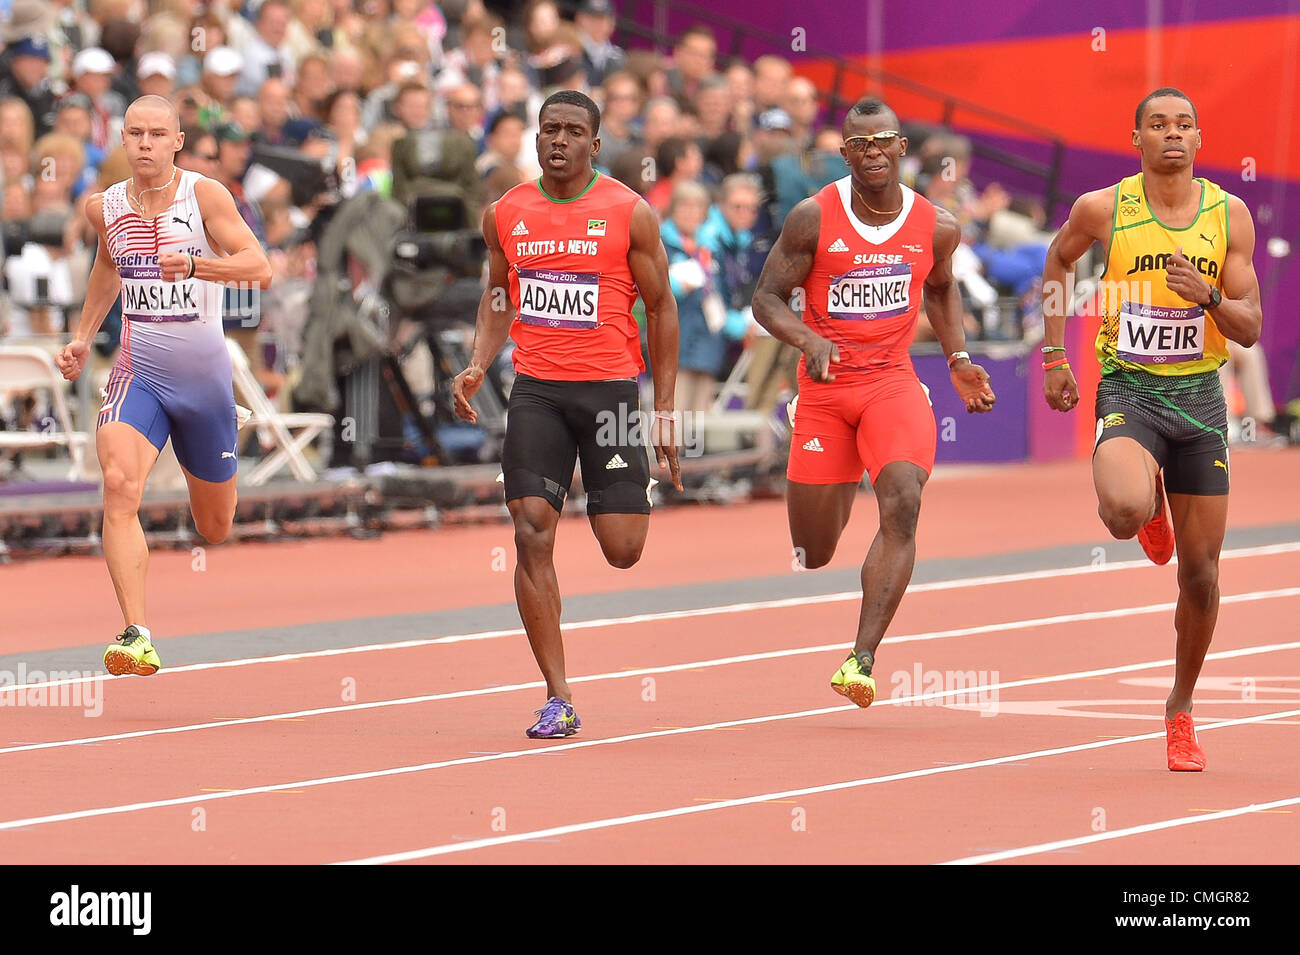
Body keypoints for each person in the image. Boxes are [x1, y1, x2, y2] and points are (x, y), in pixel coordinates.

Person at [1040, 88, 1262, 772]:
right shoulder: (1103, 209)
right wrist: (1053, 353)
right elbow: (1057, 265)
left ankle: (1180, 707)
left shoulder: (1230, 215)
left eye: (1184, 125)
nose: (1173, 134)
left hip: (1200, 399)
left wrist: (1211, 298)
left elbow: (1249, 327)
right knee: (1124, 509)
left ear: (1199, 139)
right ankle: (1148, 508)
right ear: (1135, 138)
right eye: (1158, 125)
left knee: (1200, 575)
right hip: (1130, 389)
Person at [452, 89, 682, 739]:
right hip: (538, 392)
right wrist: (478, 359)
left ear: (594, 144)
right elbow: (499, 294)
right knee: (529, 528)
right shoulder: (506, 213)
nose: (558, 140)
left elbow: (663, 309)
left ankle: (607, 490)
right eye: (548, 129)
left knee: (623, 550)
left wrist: (664, 411)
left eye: (572, 131)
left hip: (609, 392)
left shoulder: (628, 213)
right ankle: (558, 694)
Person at [752, 97, 996, 708]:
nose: (873, 153)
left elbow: (940, 291)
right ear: (845, 153)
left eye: (883, 141)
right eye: (860, 144)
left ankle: (861, 658)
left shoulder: (937, 225)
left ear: (901, 148)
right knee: (813, 552)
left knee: (904, 502)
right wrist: (808, 338)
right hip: (826, 391)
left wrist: (959, 360)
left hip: (892, 380)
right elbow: (766, 299)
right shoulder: (812, 218)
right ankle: (842, 471)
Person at [55, 95, 273, 677]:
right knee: (119, 482)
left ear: (177, 140)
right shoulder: (105, 206)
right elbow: (109, 266)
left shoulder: (203, 196)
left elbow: (259, 268)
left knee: (215, 526)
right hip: (138, 373)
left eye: (157, 133)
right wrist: (82, 336)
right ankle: (137, 633)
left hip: (203, 385)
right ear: (122, 141)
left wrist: (200, 266)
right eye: (135, 134)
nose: (145, 143)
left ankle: (228, 423)